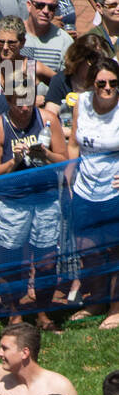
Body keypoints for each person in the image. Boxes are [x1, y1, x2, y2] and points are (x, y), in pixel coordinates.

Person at [0, 86, 67, 324]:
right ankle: (14, 312)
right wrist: (14, 162)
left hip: (45, 199)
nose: (24, 108)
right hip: (12, 203)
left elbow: (64, 159)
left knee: (47, 261)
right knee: (12, 262)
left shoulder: (48, 119)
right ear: (8, 101)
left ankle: (42, 312)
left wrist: (46, 154)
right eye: (18, 103)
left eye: (28, 102)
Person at [68, 56, 119, 327]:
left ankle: (116, 308)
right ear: (93, 83)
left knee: (115, 250)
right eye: (102, 83)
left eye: (113, 83)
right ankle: (96, 300)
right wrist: (67, 178)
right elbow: (74, 143)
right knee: (88, 250)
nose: (108, 88)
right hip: (84, 189)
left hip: (114, 192)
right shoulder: (83, 103)